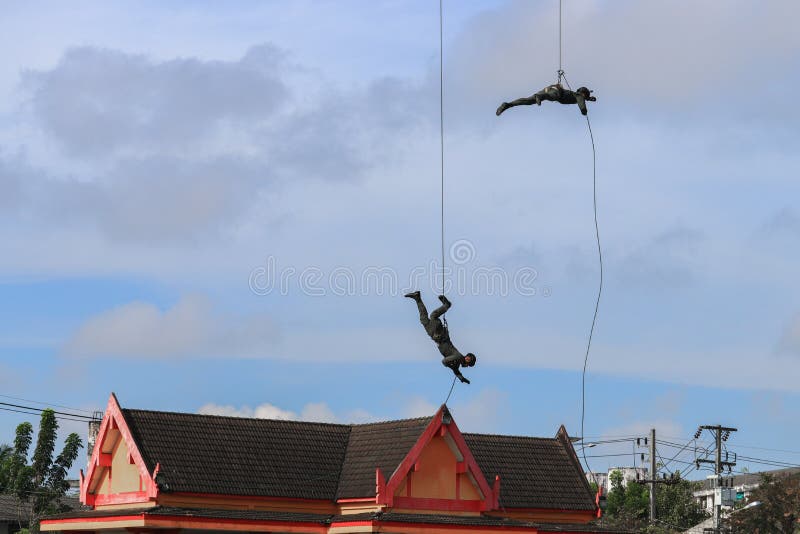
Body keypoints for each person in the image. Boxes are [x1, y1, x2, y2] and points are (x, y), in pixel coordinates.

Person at [404, 291, 476, 384]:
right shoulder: (458, 357)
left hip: (434, 336)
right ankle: (447, 305)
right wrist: (452, 366)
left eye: (468, 359)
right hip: (440, 334)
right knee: (433, 316)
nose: (466, 359)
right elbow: (444, 361)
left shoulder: (457, 362)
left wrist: (461, 378)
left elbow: (456, 370)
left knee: (424, 320)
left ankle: (417, 298)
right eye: (468, 357)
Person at [496, 84, 596, 116]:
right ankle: (540, 97)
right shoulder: (578, 95)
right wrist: (584, 110)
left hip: (549, 89)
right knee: (553, 97)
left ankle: (507, 105)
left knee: (528, 101)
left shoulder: (578, 95)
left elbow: (584, 99)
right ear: (583, 93)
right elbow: (581, 101)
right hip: (556, 92)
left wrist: (590, 99)